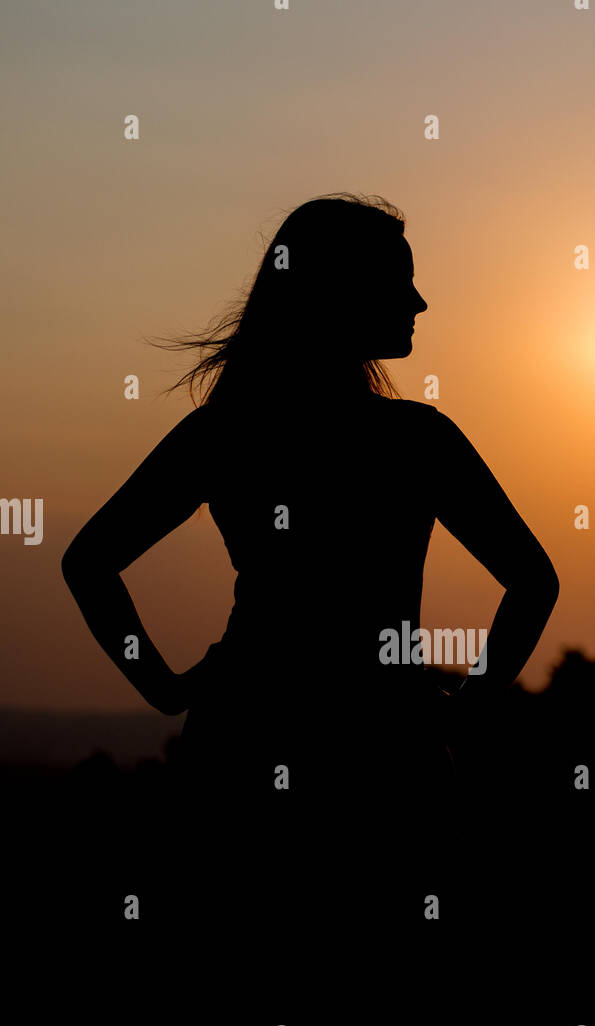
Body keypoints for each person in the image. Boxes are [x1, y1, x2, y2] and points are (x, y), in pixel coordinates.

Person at [61, 194, 559, 849]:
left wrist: (166, 688)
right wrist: (470, 707)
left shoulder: (225, 434)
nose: (419, 302)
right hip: (383, 755)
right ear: (342, 290)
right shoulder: (416, 440)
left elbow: (89, 562)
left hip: (241, 738)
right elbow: (532, 580)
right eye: (399, 281)